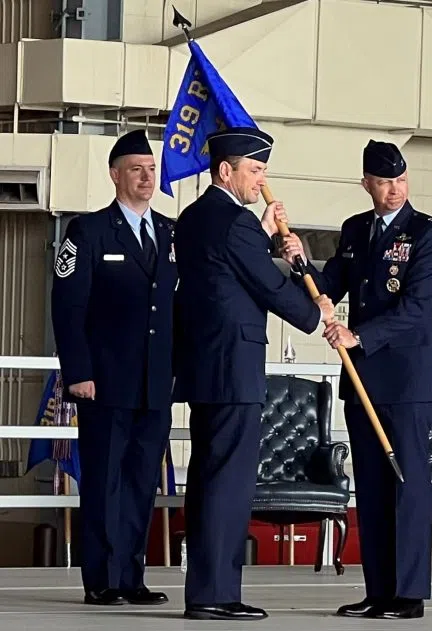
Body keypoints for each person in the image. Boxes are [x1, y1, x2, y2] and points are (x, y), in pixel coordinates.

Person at [172, 126, 336, 621]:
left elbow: (230, 268)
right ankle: (216, 594)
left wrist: (266, 238)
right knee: (228, 481)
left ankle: (205, 588)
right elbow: (266, 286)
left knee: (207, 478)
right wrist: (319, 312)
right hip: (234, 365)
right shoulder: (236, 223)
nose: (260, 179)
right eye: (255, 170)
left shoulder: (194, 218)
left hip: (206, 364)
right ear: (227, 170)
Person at [281, 139, 432, 620]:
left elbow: (416, 307)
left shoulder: (427, 233)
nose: (394, 190)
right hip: (361, 378)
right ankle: (379, 590)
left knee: (407, 483)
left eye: (400, 181)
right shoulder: (356, 230)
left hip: (405, 377)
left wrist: (359, 335)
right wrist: (297, 260)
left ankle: (409, 593)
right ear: (367, 185)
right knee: (372, 486)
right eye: (384, 182)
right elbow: (328, 284)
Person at [51, 129, 175, 607]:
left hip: (154, 385)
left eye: (151, 169)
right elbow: (67, 307)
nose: (146, 178)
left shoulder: (168, 233)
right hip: (103, 382)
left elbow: (175, 309)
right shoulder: (89, 231)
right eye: (136, 169)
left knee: (142, 482)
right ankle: (102, 579)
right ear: (115, 175)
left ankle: (131, 578)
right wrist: (78, 370)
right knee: (105, 482)